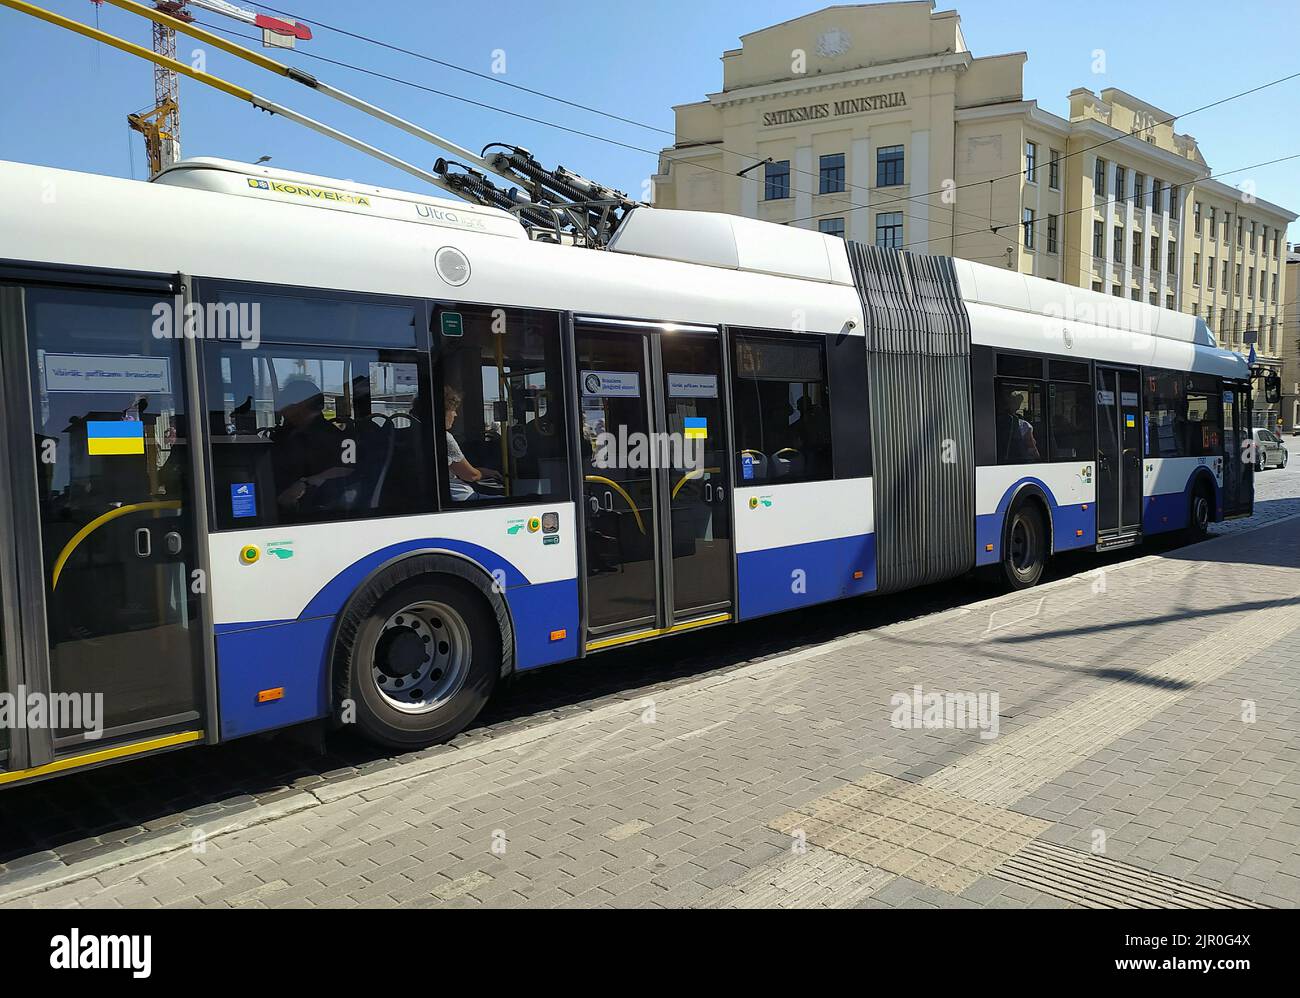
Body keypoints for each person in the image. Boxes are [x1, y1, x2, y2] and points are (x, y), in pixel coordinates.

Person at [272, 375, 354, 516]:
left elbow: (348, 469)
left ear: (301, 404)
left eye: (285, 403)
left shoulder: (335, 437)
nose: (281, 409)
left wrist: (306, 483)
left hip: (313, 510)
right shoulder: (283, 434)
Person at [444, 386, 500, 501]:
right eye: (453, 410)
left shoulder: (415, 435)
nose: (455, 414)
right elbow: (470, 476)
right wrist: (486, 473)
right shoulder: (445, 437)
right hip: (461, 497)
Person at [996, 388, 1041, 462]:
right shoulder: (1023, 424)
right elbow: (1031, 447)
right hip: (1022, 460)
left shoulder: (998, 419)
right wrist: (1039, 460)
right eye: (1019, 402)